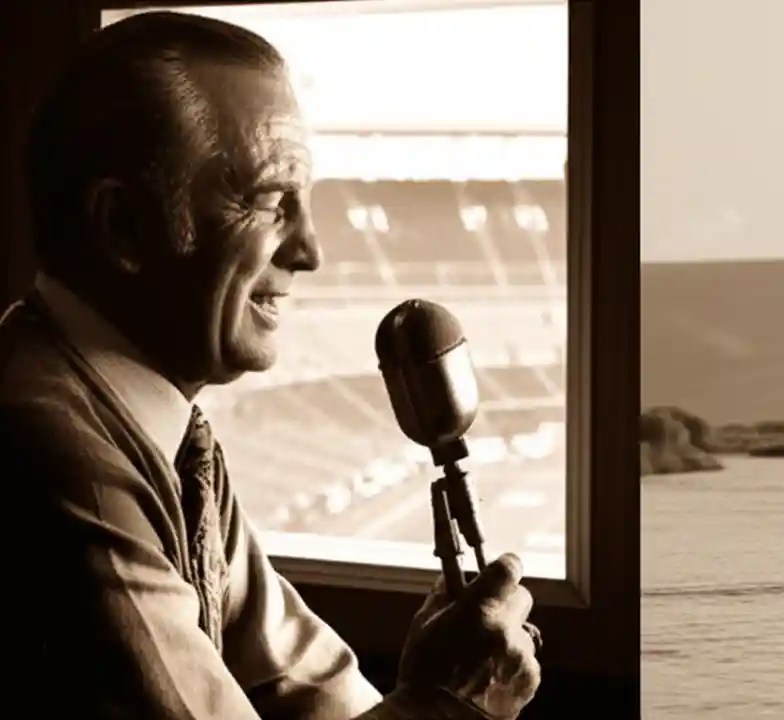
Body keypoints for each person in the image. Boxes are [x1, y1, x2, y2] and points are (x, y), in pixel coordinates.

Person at [0, 11, 538, 719]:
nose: (310, 250)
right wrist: (443, 702)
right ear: (123, 225)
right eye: (269, 201)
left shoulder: (163, 429)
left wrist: (428, 695)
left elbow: (304, 685)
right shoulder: (55, 459)